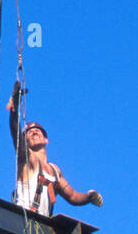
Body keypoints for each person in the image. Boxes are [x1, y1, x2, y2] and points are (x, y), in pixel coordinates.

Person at [6, 81, 102, 214]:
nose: (34, 132)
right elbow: (15, 132)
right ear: (25, 141)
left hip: (41, 227)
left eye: (37, 131)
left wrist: (89, 197)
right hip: (23, 218)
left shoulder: (55, 171)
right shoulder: (28, 158)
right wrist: (14, 107)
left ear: (46, 140)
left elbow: (73, 196)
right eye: (29, 132)